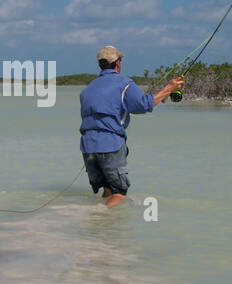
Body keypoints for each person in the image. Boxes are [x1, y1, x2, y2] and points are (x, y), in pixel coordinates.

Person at [78, 45, 183, 207]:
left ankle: (100, 228)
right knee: (119, 193)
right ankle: (97, 216)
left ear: (100, 64)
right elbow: (143, 106)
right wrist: (169, 88)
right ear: (118, 63)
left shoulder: (87, 89)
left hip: (87, 147)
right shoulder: (124, 83)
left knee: (107, 190)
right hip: (110, 145)